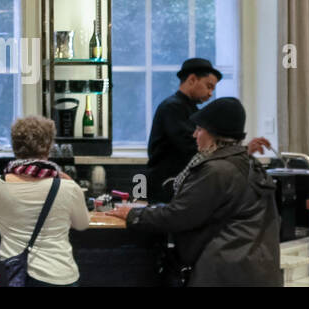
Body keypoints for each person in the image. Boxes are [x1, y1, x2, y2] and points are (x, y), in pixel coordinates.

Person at [106, 97, 281, 286]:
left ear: (214, 134)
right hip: (255, 268)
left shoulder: (216, 170)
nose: (194, 135)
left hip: (223, 272)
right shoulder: (249, 164)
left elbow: (179, 215)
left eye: (199, 129)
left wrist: (134, 214)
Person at [0, 115, 89, 286]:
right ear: (49, 147)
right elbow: (82, 224)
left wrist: (4, 214)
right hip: (61, 276)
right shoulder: (68, 187)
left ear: (14, 147)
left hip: (16, 275)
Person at [145, 58, 269, 202]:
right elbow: (193, 147)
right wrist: (243, 150)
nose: (210, 93)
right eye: (208, 86)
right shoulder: (173, 108)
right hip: (167, 184)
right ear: (192, 79)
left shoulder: (189, 109)